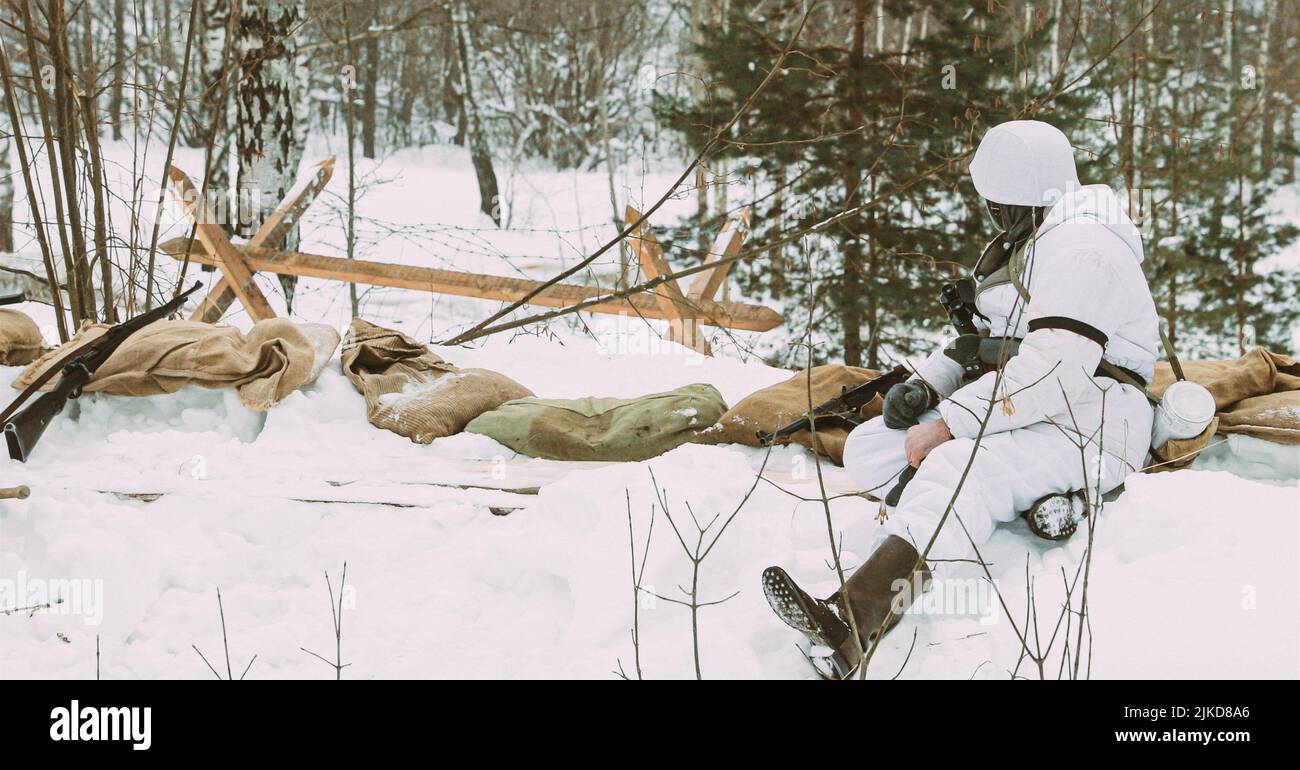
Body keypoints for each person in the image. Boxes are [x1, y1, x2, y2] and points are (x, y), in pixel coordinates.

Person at [761, 120, 1159, 678]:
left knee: (959, 465)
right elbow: (988, 342)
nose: (992, 212)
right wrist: (929, 383)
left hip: (1092, 417)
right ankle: (1042, 501)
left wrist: (952, 423)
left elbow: (1055, 373)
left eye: (997, 201)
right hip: (1033, 409)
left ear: (1018, 195)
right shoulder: (1033, 240)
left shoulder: (1084, 248)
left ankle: (851, 623)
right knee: (873, 446)